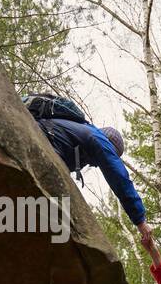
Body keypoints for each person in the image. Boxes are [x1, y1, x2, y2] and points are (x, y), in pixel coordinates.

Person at [30, 101, 152, 245]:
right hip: (38, 143)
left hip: (41, 144)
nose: (99, 164)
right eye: (110, 154)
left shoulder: (76, 138)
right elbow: (119, 177)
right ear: (109, 147)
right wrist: (140, 220)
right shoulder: (97, 138)